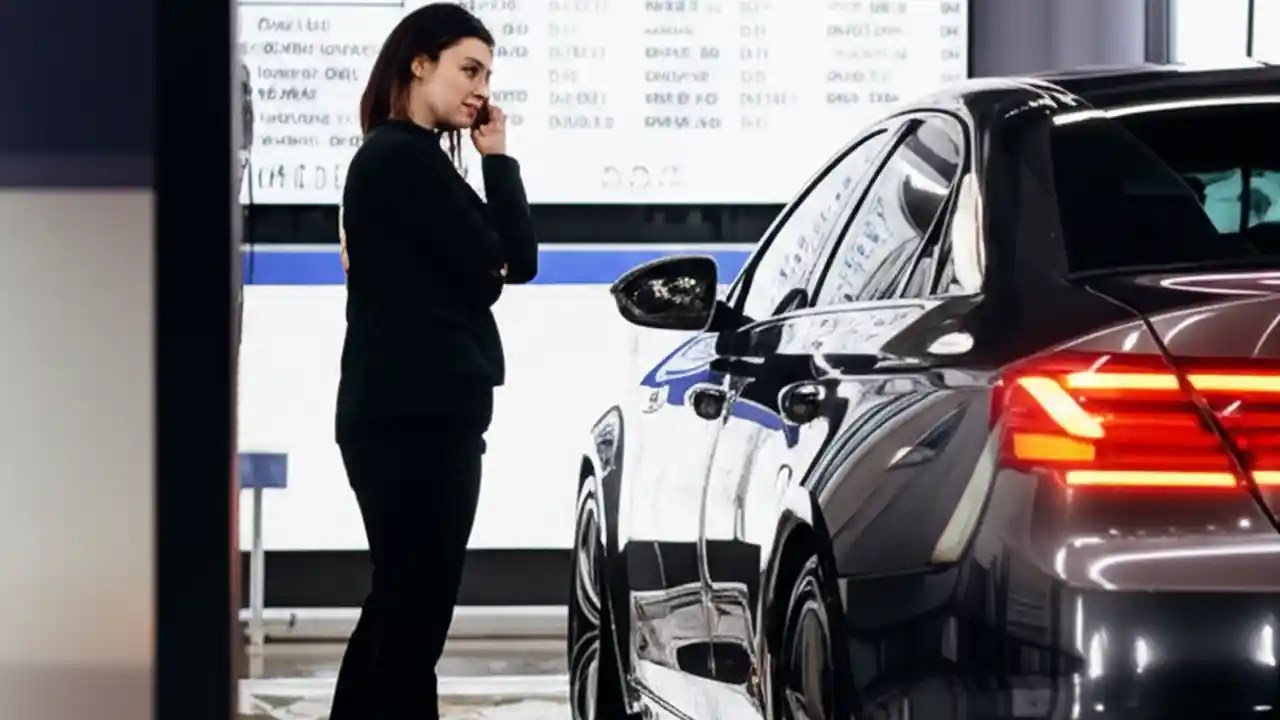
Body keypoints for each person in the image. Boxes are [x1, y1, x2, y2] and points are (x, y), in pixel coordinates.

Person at [329, 3, 537, 718]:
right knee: (412, 609)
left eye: (487, 74)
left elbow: (507, 264)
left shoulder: (411, 160)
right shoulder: (398, 157)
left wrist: (493, 162)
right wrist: (499, 163)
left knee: (408, 607)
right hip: (412, 414)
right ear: (420, 63)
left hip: (416, 410)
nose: (482, 90)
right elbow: (506, 256)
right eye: (468, 70)